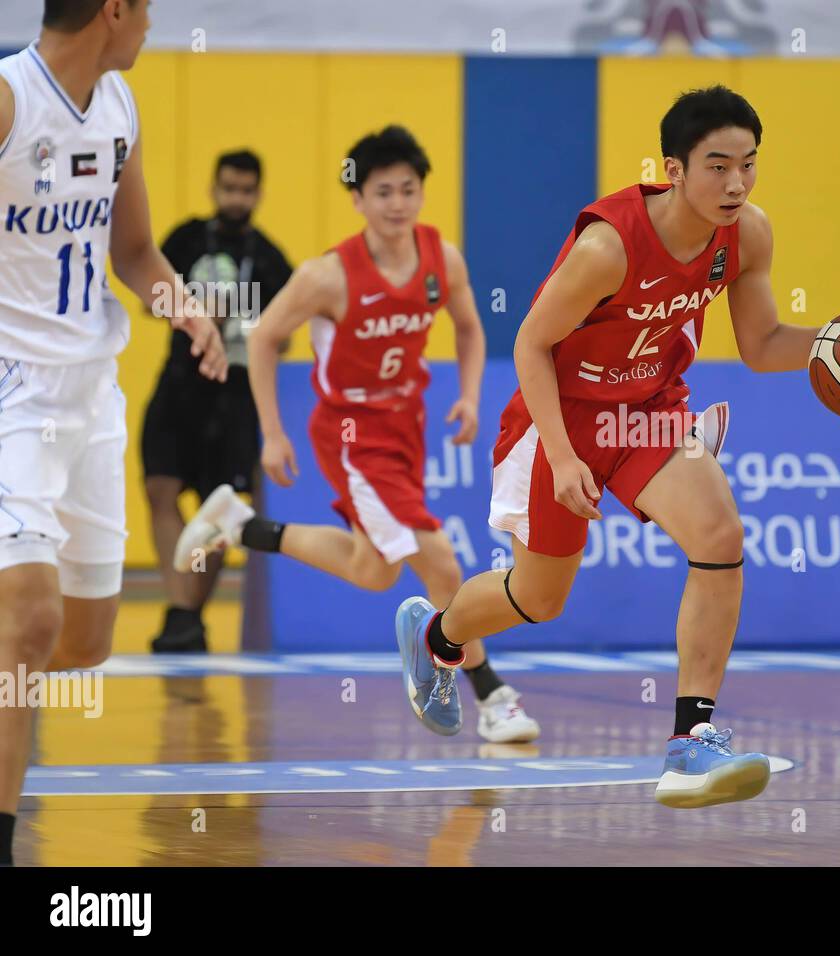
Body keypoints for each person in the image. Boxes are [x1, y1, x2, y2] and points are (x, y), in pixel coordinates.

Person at [394, 85, 840, 808]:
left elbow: (760, 345)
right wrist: (566, 457)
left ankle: (690, 743)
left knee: (720, 534)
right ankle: (439, 640)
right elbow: (532, 344)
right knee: (538, 600)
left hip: (649, 414)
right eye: (717, 166)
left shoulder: (747, 235)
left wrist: (835, 340)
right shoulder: (610, 245)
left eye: (749, 165)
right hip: (562, 420)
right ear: (674, 169)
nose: (735, 183)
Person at [176, 126, 540, 743]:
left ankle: (237, 524)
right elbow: (263, 337)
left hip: (406, 422)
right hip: (350, 433)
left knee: (373, 570)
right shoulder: (328, 276)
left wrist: (472, 397)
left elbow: (470, 327)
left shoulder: (440, 257)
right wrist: (271, 432)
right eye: (382, 192)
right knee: (440, 560)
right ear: (358, 198)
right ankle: (492, 696)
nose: (397, 203)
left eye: (408, 190)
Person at [0, 0, 227, 866]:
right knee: (26, 622)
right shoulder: (11, 98)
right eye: (149, 11)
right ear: (113, 9)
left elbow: (133, 252)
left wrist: (187, 311)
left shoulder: (120, 106)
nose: (154, 28)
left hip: (92, 398)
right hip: (12, 392)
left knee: (83, 641)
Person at [141, 149, 292, 652]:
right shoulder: (184, 240)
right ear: (213, 187)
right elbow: (149, 298)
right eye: (228, 188)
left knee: (219, 506)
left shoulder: (270, 260)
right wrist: (192, 312)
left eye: (246, 191)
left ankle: (188, 615)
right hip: (181, 382)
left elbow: (285, 336)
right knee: (160, 488)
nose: (236, 199)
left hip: (236, 394)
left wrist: (242, 321)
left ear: (259, 194)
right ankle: (182, 607)